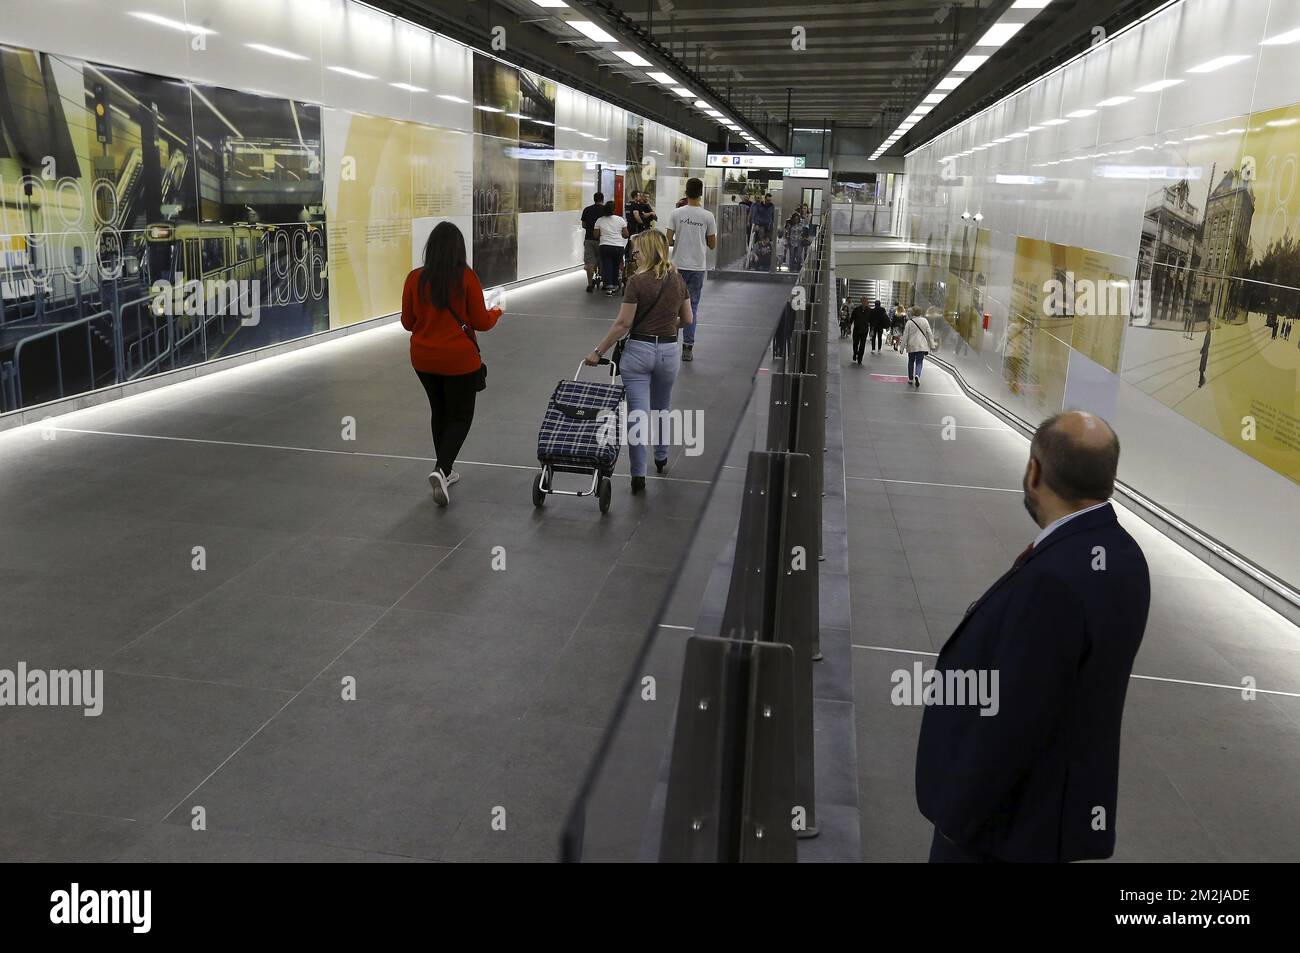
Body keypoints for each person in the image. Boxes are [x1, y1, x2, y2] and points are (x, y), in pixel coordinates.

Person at [915, 411, 1150, 863]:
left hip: (1005, 829)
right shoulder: (1124, 556)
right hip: (1055, 819)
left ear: (1034, 472)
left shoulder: (1054, 581)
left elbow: (1013, 720)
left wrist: (957, 817)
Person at [401, 222, 504, 507]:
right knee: (460, 416)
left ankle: (444, 469)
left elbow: (408, 322)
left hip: (423, 358)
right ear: (459, 248)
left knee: (440, 411)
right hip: (458, 360)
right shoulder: (466, 278)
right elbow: (481, 323)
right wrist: (496, 311)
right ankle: (442, 469)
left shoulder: (415, 278)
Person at [584, 229, 694, 494]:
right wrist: (669, 325)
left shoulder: (637, 281)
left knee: (637, 414)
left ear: (646, 250)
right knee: (662, 406)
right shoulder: (678, 280)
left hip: (639, 351)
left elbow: (623, 323)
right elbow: (688, 320)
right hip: (668, 351)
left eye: (636, 250)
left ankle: (638, 475)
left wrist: (598, 351)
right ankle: (662, 455)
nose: (633, 255)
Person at [666, 176, 716, 363]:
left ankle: (671, 343)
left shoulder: (676, 213)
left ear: (685, 192)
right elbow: (712, 244)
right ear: (701, 193)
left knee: (672, 306)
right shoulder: (707, 216)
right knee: (692, 307)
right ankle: (688, 348)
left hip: (677, 266)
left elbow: (668, 240)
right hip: (697, 267)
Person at [595, 200, 629, 297]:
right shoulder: (620, 220)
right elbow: (626, 235)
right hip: (618, 246)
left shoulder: (600, 220)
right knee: (616, 265)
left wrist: (603, 233)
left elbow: (596, 235)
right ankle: (615, 285)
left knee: (607, 265)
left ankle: (609, 286)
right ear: (614, 209)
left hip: (605, 246)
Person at [902, 306, 937, 387]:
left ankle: (910, 379)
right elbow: (929, 333)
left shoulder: (909, 322)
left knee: (911, 361)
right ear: (920, 313)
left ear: (913, 313)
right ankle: (917, 375)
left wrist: (902, 347)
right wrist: (932, 345)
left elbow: (905, 335)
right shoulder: (925, 321)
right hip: (921, 346)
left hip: (911, 346)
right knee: (919, 362)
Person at [580, 191, 606, 293]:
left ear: (594, 199)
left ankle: (590, 285)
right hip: (602, 240)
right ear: (602, 199)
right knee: (602, 261)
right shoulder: (605, 210)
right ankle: (604, 282)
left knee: (590, 262)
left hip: (589, 239)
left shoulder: (587, 210)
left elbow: (583, 225)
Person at [849, 296, 872, 364]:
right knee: (855, 344)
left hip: (864, 330)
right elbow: (852, 319)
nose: (864, 303)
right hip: (856, 329)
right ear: (861, 302)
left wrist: (872, 329)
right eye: (863, 301)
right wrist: (849, 327)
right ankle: (855, 353)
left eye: (866, 301)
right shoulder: (856, 309)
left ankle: (860, 358)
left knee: (862, 345)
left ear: (867, 302)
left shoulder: (870, 311)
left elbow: (871, 321)